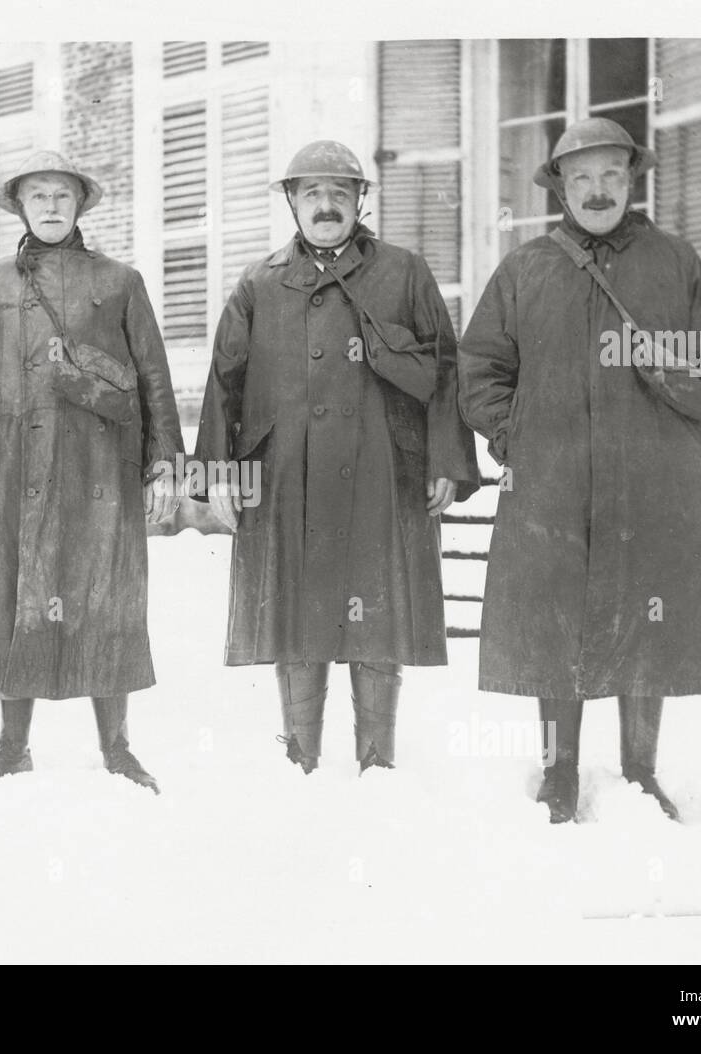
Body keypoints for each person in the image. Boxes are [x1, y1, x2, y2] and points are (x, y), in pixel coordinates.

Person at [458, 117, 701, 823]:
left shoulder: (674, 262)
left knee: (649, 614)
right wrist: (514, 436)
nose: (598, 191)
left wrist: (685, 413)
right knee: (552, 621)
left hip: (654, 477)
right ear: (560, 188)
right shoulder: (525, 269)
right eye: (582, 178)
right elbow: (480, 367)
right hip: (553, 480)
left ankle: (640, 771)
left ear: (631, 180)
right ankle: (558, 773)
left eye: (612, 175)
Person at [194, 140, 480, 774]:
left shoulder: (404, 272)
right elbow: (224, 380)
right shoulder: (259, 282)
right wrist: (217, 473)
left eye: (339, 193)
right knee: (298, 611)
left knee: (378, 610)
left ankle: (377, 762)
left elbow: (445, 368)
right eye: (312, 194)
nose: (326, 206)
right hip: (285, 473)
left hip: (384, 468)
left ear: (360, 201)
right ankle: (302, 758)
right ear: (292, 204)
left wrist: (445, 460)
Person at [0, 150, 182, 794]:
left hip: (103, 465)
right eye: (38, 195)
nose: (50, 206)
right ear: (20, 206)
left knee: (107, 593)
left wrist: (163, 464)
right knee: (15, 591)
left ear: (79, 205)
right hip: (17, 467)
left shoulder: (121, 281)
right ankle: (11, 747)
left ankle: (118, 749)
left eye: (61, 195)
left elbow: (154, 378)